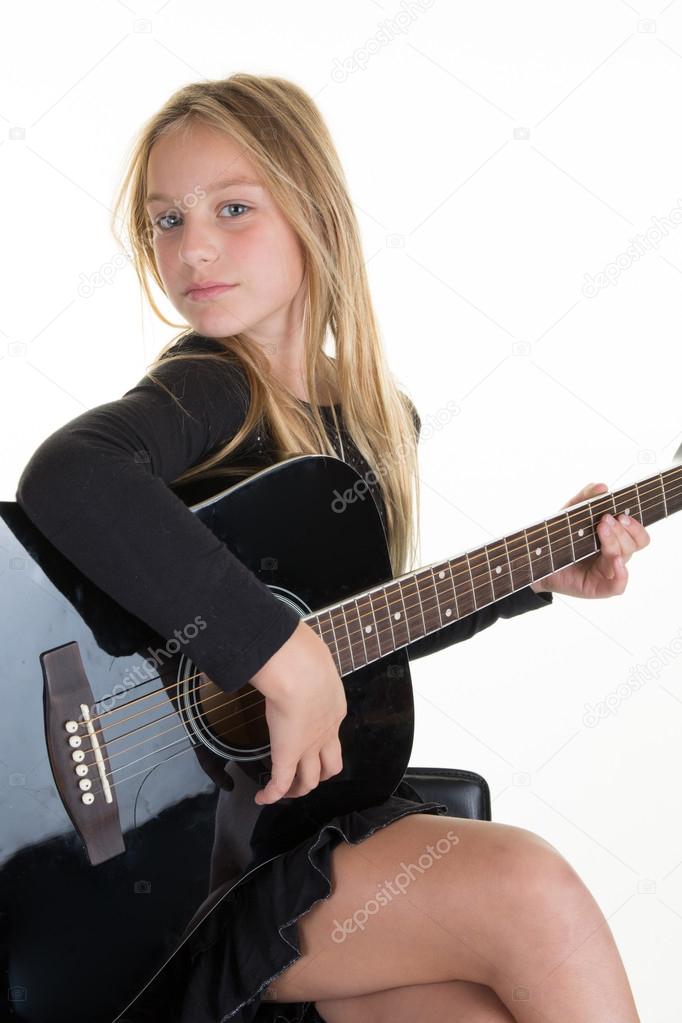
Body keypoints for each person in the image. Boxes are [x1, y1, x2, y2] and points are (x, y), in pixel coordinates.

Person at [15, 74, 649, 1023]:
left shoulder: (376, 421)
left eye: (233, 209)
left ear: (313, 208)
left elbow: (343, 632)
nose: (192, 247)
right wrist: (272, 650)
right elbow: (70, 475)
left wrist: (533, 578)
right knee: (530, 893)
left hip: (275, 840)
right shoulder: (210, 388)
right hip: (190, 875)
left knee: (481, 1010)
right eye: (164, 221)